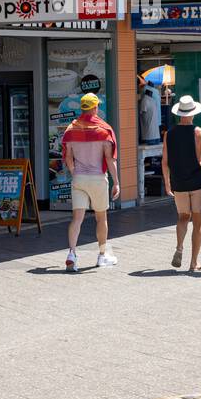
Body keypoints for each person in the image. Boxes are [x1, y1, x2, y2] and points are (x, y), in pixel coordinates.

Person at [162, 95, 201, 274]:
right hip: (197, 182)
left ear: (179, 114)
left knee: (182, 217)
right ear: (193, 113)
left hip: (178, 182)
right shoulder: (200, 133)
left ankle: (179, 247)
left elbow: (165, 161)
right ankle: (193, 263)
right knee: (197, 221)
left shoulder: (169, 134)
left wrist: (167, 183)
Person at [61, 93, 121, 272]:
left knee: (77, 219)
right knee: (101, 218)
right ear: (95, 108)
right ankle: (102, 255)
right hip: (97, 178)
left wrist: (74, 172)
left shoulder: (71, 129)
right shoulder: (104, 130)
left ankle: (72, 253)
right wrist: (116, 182)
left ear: (82, 107)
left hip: (79, 178)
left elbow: (68, 157)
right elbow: (110, 159)